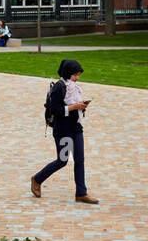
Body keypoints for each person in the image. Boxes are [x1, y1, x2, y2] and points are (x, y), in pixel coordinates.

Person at [31, 59, 98, 204]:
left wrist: (81, 106)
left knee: (80, 160)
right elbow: (55, 110)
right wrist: (73, 108)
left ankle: (81, 193)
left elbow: (73, 105)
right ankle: (37, 179)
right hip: (63, 130)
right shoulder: (59, 88)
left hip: (76, 128)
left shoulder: (74, 87)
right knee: (62, 161)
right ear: (68, 73)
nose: (77, 78)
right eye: (75, 75)